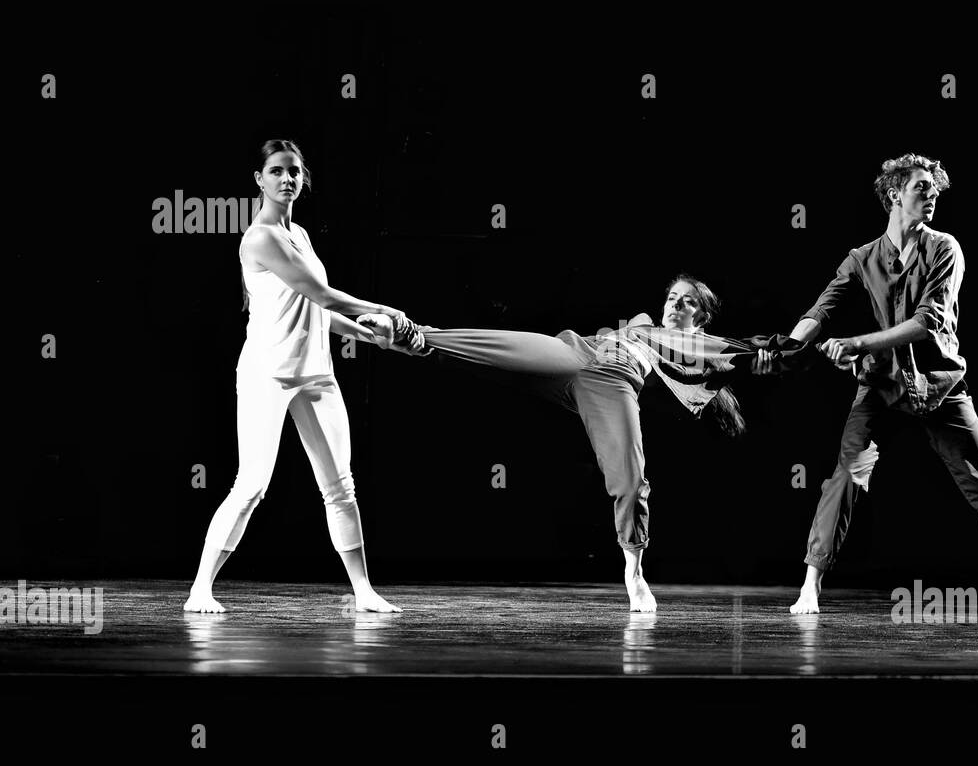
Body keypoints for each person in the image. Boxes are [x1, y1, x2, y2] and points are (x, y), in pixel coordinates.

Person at [759, 153, 978, 615]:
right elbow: (820, 312)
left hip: (940, 388)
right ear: (895, 195)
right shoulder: (862, 258)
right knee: (846, 477)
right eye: (921, 187)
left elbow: (928, 322)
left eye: (933, 189)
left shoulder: (945, 248)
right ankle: (809, 585)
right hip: (881, 389)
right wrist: (786, 350)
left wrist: (857, 343)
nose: (932, 195)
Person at [364, 275, 806, 612]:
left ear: (701, 316)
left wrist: (779, 355)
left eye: (688, 301)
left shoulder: (702, 347)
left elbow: (748, 351)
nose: (677, 304)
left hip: (613, 384)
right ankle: (410, 334)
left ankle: (633, 566)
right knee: (503, 351)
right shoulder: (642, 325)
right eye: (673, 297)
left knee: (631, 480)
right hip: (579, 353)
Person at [184, 139, 423, 614]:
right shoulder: (259, 238)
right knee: (250, 485)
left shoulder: (303, 236)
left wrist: (370, 332)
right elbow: (322, 291)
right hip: (267, 375)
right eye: (276, 171)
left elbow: (317, 305)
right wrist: (384, 311)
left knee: (340, 486)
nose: (287, 179)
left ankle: (363, 591)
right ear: (260, 179)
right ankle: (200, 589)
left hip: (315, 374)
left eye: (294, 171)